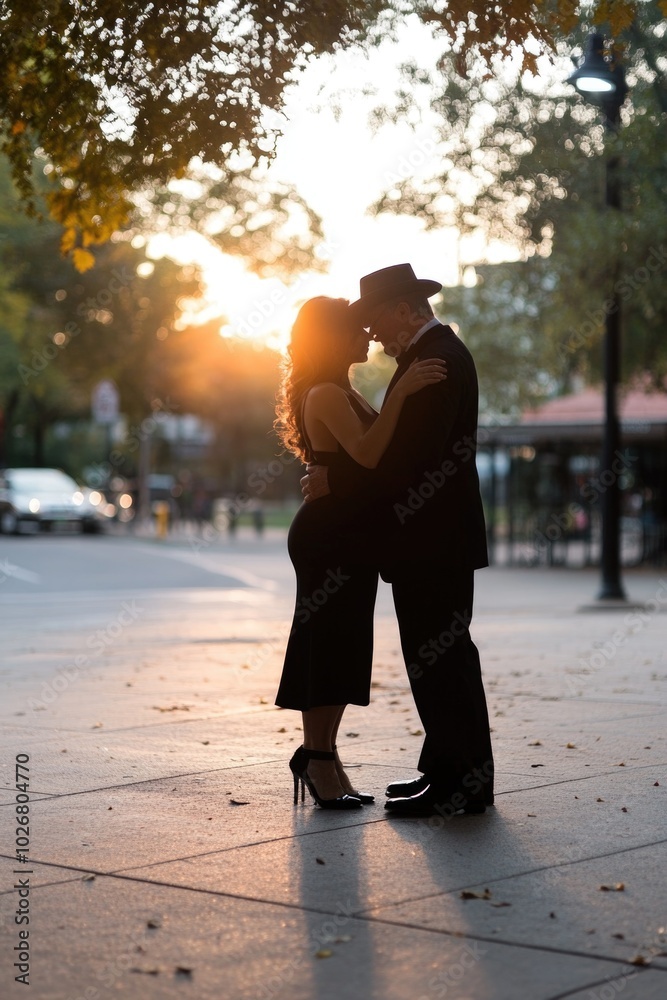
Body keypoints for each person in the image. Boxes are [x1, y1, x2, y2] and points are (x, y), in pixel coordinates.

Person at [301, 264, 494, 817]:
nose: (374, 332)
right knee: (438, 658)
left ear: (407, 309)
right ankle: (448, 774)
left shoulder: (435, 361)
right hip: (432, 540)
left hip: (433, 540)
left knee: (442, 659)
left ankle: (460, 784)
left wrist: (336, 478)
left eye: (378, 318)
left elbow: (408, 462)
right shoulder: (429, 354)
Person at [274, 295, 447, 809]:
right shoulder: (325, 392)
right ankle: (319, 760)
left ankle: (322, 757)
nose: (368, 336)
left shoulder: (340, 388)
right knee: (326, 644)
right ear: (332, 337)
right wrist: (404, 391)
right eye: (356, 328)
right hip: (329, 537)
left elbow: (374, 453)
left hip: (346, 532)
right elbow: (371, 453)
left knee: (342, 646)